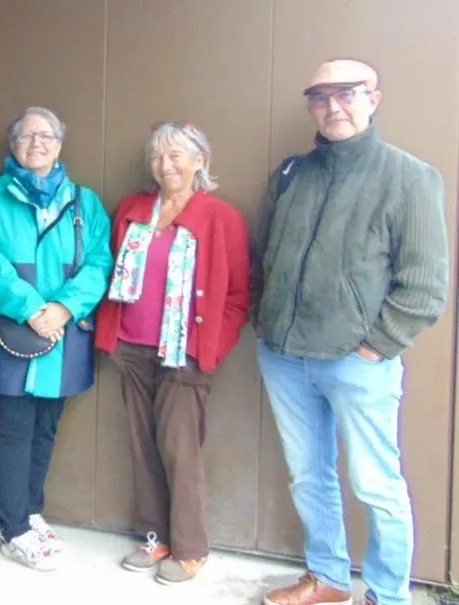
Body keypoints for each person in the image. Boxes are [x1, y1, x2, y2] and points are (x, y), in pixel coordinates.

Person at [253, 59, 449, 605]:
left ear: (374, 99)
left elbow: (425, 286)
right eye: (319, 97)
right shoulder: (292, 174)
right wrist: (263, 322)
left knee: (377, 487)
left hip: (357, 362)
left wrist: (376, 345)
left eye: (347, 94)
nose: (333, 107)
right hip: (285, 357)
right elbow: (263, 257)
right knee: (308, 476)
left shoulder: (410, 178)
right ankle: (329, 577)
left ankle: (387, 595)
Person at [0, 106, 113, 571]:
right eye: (26, 136)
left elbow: (100, 261)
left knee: (45, 426)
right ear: (12, 145)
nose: (36, 142)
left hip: (64, 335)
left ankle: (30, 509)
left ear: (60, 145)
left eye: (46, 135)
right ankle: (14, 530)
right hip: (8, 333)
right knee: (10, 430)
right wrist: (30, 306)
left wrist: (64, 307)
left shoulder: (85, 202)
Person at [94, 121, 250, 585]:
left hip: (186, 355)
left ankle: (190, 548)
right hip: (131, 348)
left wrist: (213, 346)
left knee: (180, 450)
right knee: (142, 447)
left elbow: (239, 294)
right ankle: (153, 535)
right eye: (159, 157)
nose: (167, 165)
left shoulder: (220, 217)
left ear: (199, 160)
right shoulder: (133, 209)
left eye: (178, 155)